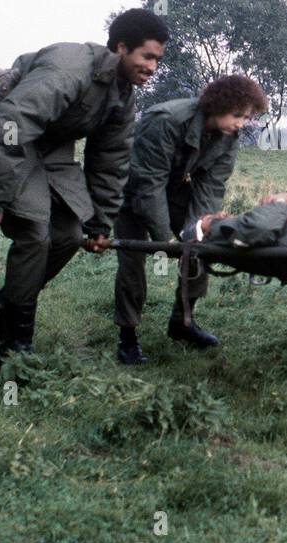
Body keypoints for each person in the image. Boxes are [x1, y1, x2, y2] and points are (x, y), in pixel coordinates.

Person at [0, 9, 169, 367]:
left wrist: (100, 224)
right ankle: (15, 347)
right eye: (147, 56)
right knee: (34, 232)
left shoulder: (123, 95)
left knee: (69, 234)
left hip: (46, 146)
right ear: (121, 47)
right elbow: (7, 125)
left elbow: (111, 161)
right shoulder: (70, 68)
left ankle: (3, 306)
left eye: (158, 59)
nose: (153, 67)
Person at [112, 75, 268, 364]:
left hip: (177, 196)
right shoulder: (167, 119)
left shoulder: (229, 137)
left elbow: (211, 187)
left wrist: (195, 231)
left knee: (199, 249)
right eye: (237, 115)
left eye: (247, 118)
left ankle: (182, 323)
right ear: (217, 105)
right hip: (133, 193)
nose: (241, 124)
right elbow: (149, 185)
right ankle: (128, 336)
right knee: (132, 264)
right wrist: (167, 241)